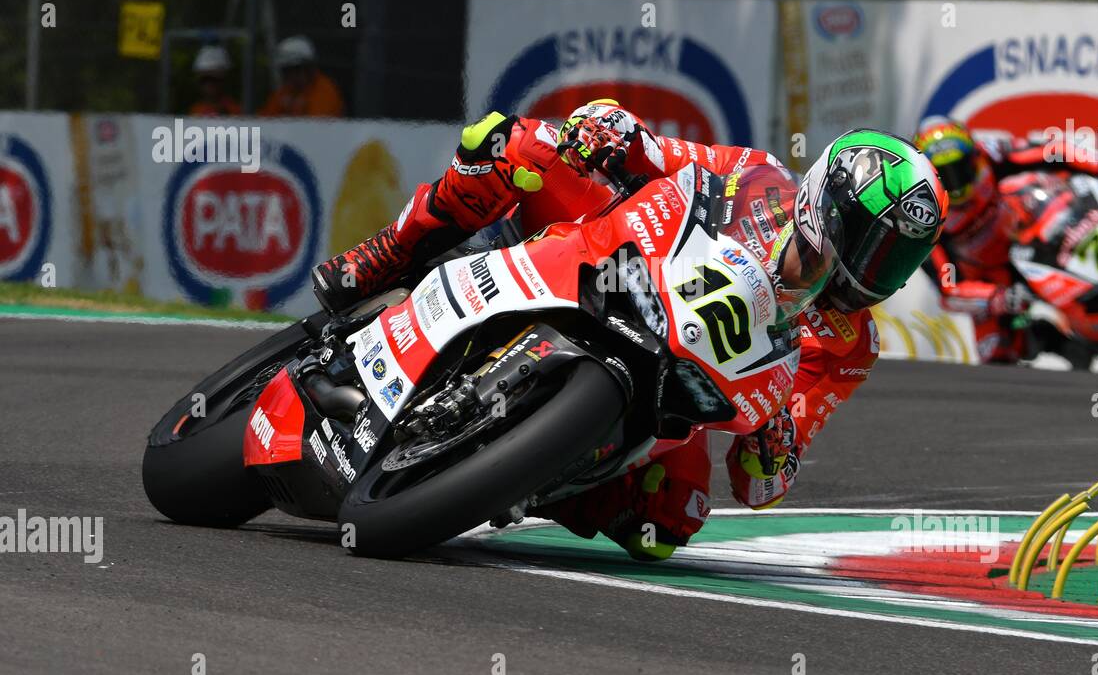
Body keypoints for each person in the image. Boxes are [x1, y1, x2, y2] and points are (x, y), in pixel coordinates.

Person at [313, 102, 947, 558]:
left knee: (672, 521)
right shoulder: (760, 178)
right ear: (824, 205)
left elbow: (758, 483)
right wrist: (609, 129)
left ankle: (518, 477)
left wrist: (779, 438)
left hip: (678, 385)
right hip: (620, 264)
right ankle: (392, 251)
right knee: (516, 146)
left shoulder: (850, 345)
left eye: (898, 257)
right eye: (874, 243)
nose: (878, 269)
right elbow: (661, 154)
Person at [912, 115, 1098, 363]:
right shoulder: (925, 213)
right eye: (946, 175)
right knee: (994, 354)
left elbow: (1053, 151)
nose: (957, 184)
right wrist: (997, 297)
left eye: (961, 168)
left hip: (1034, 241)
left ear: (974, 156)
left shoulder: (992, 152)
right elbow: (949, 289)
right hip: (993, 277)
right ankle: (1048, 339)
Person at [259, 36, 346, 118]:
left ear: (307, 68)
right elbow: (265, 119)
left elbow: (315, 129)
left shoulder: (324, 91)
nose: (288, 76)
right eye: (285, 71)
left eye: (292, 69)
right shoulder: (287, 90)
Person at [188, 45, 240, 117]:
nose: (209, 84)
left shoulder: (234, 110)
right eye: (205, 79)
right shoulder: (196, 110)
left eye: (214, 79)